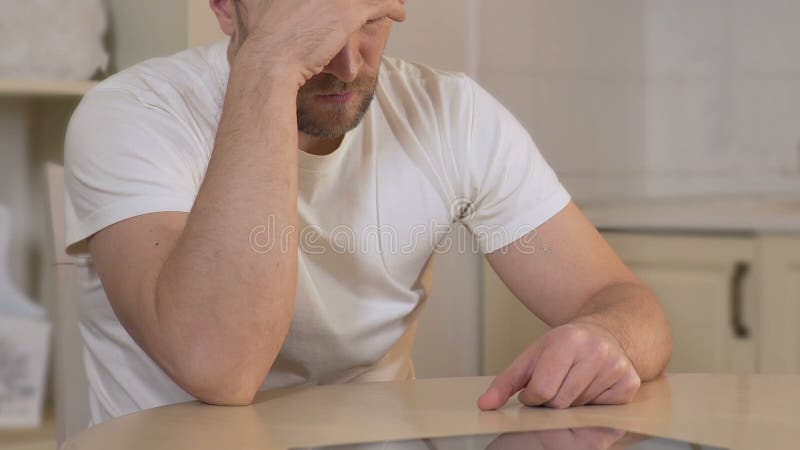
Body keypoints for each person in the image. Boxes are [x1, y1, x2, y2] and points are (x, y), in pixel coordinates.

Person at [64, 0, 672, 425]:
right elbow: (220, 368)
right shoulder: (133, 114)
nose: (346, 65)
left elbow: (624, 300)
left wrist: (605, 336)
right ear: (226, 6)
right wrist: (271, 65)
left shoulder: (449, 113)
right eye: (309, 23)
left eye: (370, 21)